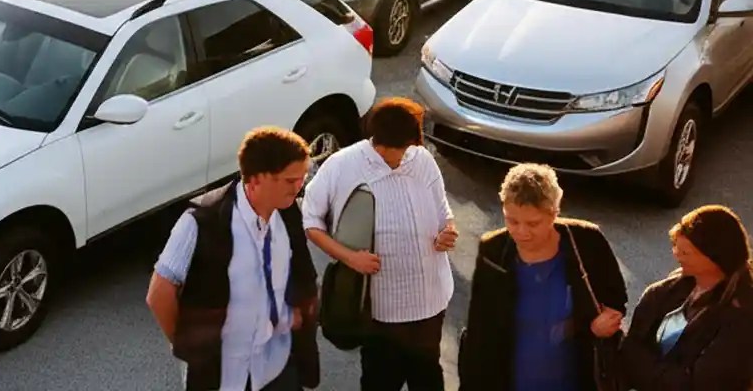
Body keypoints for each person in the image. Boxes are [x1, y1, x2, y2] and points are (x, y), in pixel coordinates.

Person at [146, 126, 321, 391]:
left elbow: (301, 275)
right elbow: (159, 294)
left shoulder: (286, 212)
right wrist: (192, 345)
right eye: (289, 180)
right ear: (257, 179)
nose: (298, 187)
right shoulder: (200, 222)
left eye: (302, 179)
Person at [301, 97, 457, 391]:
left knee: (427, 378)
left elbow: (444, 213)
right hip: (380, 311)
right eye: (391, 154)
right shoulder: (341, 166)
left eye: (405, 151)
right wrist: (349, 258)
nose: (398, 160)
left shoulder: (421, 160)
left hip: (429, 302)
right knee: (381, 380)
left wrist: (447, 232)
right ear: (376, 141)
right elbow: (311, 222)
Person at [458, 163, 628, 391]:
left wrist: (597, 327)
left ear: (554, 213)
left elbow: (616, 300)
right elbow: (479, 332)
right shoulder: (493, 251)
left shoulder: (587, 241)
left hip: (575, 381)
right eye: (512, 220)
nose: (521, 232)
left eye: (533, 223)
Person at [620, 205, 753, 391]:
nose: (676, 256)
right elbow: (630, 349)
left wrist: (645, 371)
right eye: (676, 247)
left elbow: (701, 384)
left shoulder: (741, 315)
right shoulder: (664, 292)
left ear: (716, 259)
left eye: (686, 253)